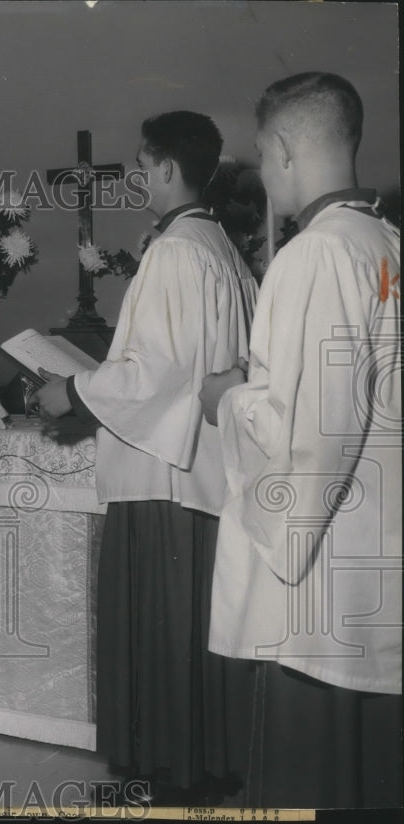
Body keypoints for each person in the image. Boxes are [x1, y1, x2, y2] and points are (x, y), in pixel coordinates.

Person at [34, 112, 259, 803]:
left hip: (162, 475)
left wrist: (71, 390)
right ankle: (206, 764)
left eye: (141, 167)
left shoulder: (174, 251)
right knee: (196, 626)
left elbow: (154, 372)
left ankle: (165, 778)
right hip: (206, 470)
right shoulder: (223, 247)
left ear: (165, 168)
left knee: (161, 626)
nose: (138, 179)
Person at [200, 72, 402, 809]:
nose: (263, 168)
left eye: (261, 151)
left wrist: (227, 399)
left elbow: (308, 434)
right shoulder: (386, 243)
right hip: (378, 559)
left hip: (321, 583)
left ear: (283, 148)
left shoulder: (316, 254)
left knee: (310, 783)